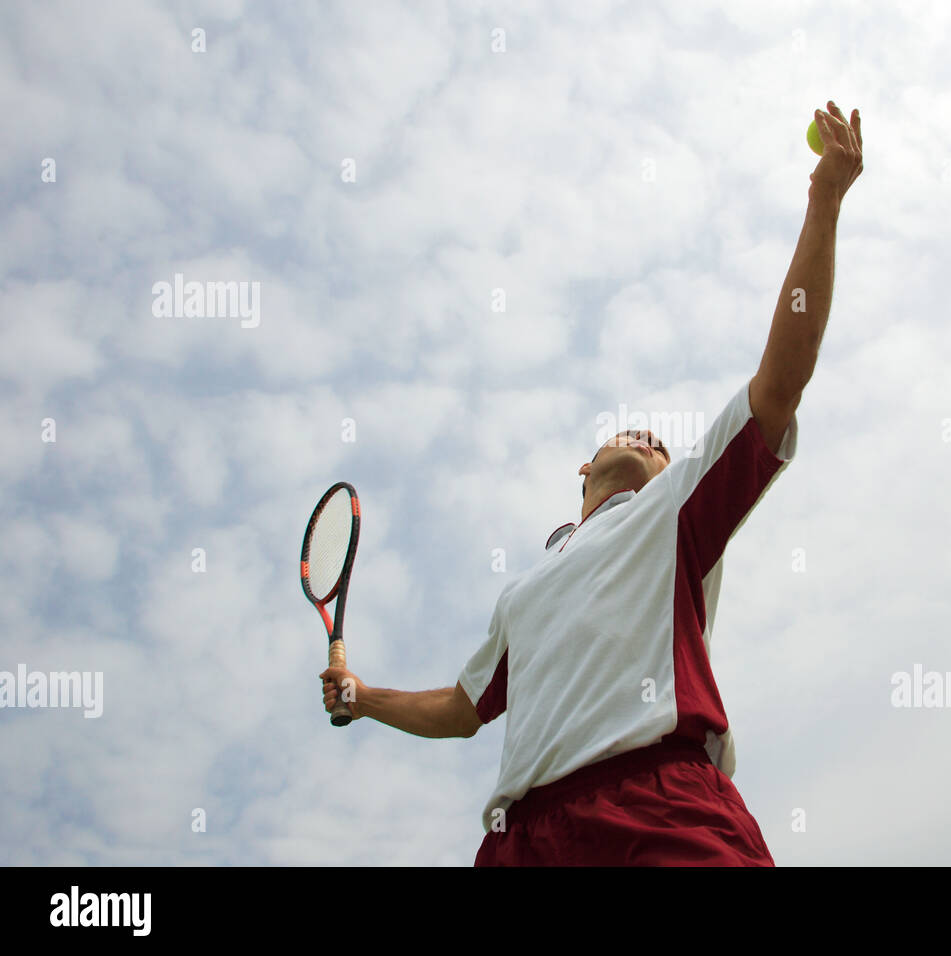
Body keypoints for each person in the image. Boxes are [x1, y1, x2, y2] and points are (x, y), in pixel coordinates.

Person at [321, 101, 863, 865]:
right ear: (583, 469)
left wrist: (825, 203)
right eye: (629, 431)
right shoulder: (522, 596)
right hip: (524, 839)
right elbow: (463, 707)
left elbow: (779, 384)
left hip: (661, 804)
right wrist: (362, 696)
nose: (649, 437)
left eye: (662, 445)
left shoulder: (675, 513)